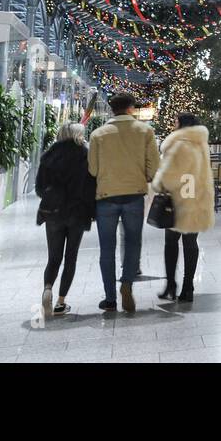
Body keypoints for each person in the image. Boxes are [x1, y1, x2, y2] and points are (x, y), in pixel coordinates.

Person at [87, 92, 158, 313]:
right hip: (134, 194)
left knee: (107, 248)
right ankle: (126, 284)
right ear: (131, 109)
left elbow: (93, 169)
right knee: (133, 243)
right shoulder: (145, 131)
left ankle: (110, 298)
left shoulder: (98, 134)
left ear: (111, 109)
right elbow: (154, 168)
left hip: (106, 197)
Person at [35, 122, 96, 319]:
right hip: (77, 213)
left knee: (53, 258)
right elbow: (91, 187)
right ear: (79, 135)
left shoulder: (49, 156)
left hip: (53, 212)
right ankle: (61, 302)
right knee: (71, 258)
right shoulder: (86, 156)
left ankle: (47, 289)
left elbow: (39, 188)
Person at [151, 112, 214, 303]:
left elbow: (168, 173)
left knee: (171, 243)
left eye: (175, 121)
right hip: (197, 197)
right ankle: (188, 287)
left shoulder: (178, 143)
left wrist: (157, 185)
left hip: (178, 200)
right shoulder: (201, 143)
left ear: (181, 124)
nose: (173, 124)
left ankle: (171, 285)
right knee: (190, 243)